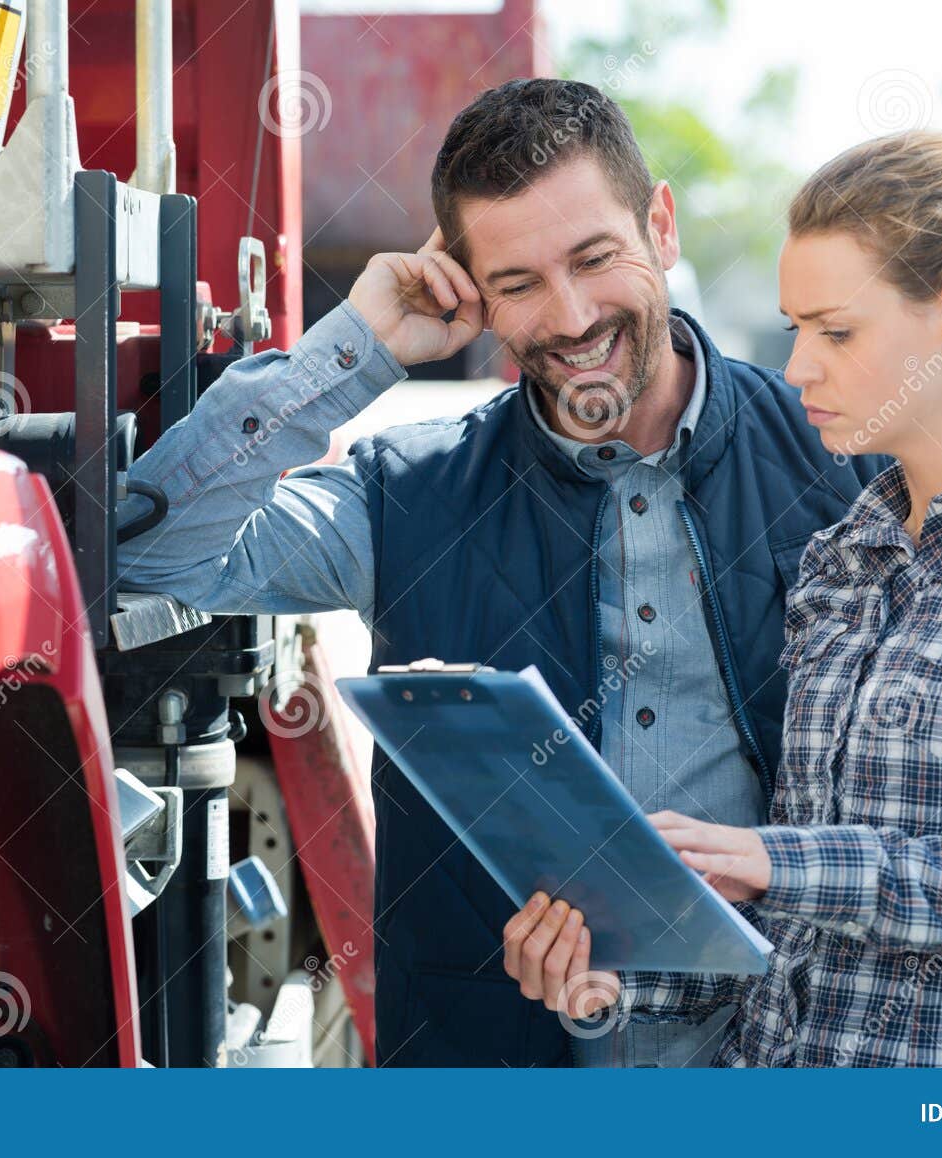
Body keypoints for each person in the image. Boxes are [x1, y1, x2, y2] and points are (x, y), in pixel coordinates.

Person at [118, 78, 888, 1067]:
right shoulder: (409, 496)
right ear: (472, 292)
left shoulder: (854, 465)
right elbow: (152, 555)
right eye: (518, 283)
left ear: (659, 224)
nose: (570, 318)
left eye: (594, 259)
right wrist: (352, 351)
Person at [505, 130, 942, 1066]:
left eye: (835, 331)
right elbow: (808, 932)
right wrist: (617, 971)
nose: (798, 366)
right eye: (796, 328)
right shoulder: (844, 555)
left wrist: (790, 864)